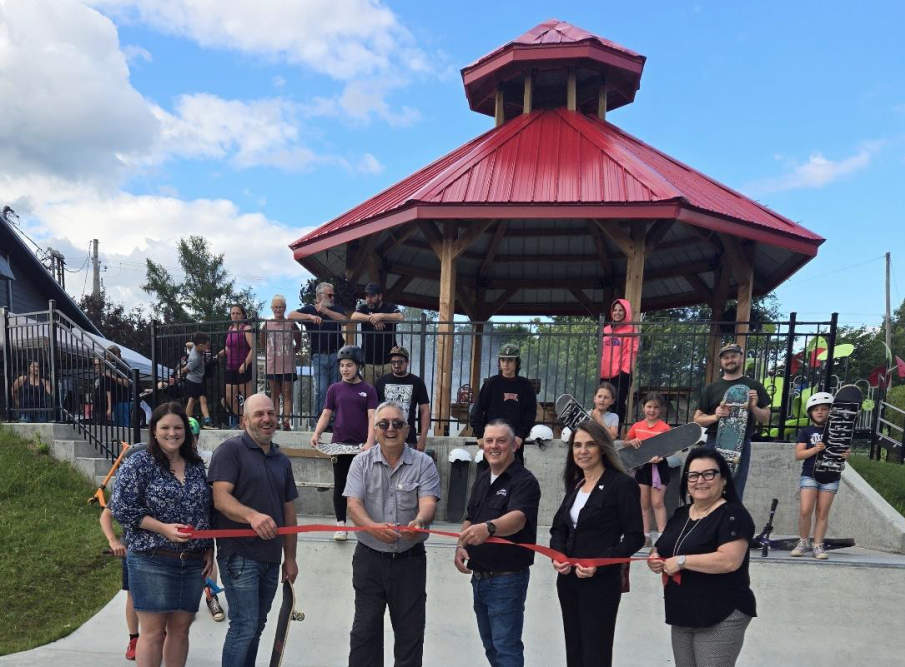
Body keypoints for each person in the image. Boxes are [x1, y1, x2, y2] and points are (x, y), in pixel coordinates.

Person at [109, 402, 214, 667]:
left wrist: (208, 547)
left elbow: (205, 510)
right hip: (151, 560)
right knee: (154, 632)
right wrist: (163, 528)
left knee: (181, 630)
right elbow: (122, 508)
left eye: (178, 427)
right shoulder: (139, 463)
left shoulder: (195, 465)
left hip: (191, 562)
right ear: (154, 431)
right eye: (165, 427)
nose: (172, 433)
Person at [343, 401, 441, 667]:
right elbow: (353, 504)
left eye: (397, 423)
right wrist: (370, 526)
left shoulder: (424, 464)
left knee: (410, 634)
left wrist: (420, 521)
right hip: (369, 561)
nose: (391, 429)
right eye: (383, 424)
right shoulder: (360, 463)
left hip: (409, 562)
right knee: (365, 632)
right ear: (374, 430)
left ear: (407, 429)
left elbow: (429, 502)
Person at [208, 393, 299, 667]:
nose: (266, 419)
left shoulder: (281, 459)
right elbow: (220, 498)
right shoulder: (230, 451)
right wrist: (252, 516)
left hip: (271, 559)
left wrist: (291, 558)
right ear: (245, 420)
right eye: (259, 414)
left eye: (270, 413)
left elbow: (288, 512)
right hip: (239, 555)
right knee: (244, 626)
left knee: (257, 626)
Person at [647, 449, 757, 667]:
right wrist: (655, 559)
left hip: (721, 613)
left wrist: (681, 561)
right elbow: (661, 548)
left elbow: (729, 561)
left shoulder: (733, 515)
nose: (700, 481)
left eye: (709, 474)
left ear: (724, 478)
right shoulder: (681, 514)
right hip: (683, 612)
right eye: (693, 475)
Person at [550, 420, 644, 667]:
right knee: (575, 650)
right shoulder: (576, 483)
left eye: (590, 444)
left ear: (602, 447)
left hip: (600, 584)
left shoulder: (621, 485)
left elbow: (635, 537)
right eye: (577, 445)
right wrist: (557, 555)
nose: (583, 450)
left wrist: (599, 563)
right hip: (568, 581)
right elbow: (558, 528)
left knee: (596, 653)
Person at [454, 420, 541, 667]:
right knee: (492, 647)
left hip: (506, 580)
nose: (494, 446)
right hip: (479, 577)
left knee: (507, 649)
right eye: (489, 440)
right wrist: (461, 546)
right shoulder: (483, 479)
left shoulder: (524, 481)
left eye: (501, 441)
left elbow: (518, 519)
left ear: (514, 445)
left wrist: (489, 528)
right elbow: (470, 518)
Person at [310, 345, 377, 540]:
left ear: (358, 366)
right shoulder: (334, 389)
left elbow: (373, 417)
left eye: (349, 365)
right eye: (341, 365)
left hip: (362, 446)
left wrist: (370, 442)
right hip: (339, 445)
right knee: (341, 485)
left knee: (364, 486)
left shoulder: (368, 390)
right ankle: (341, 525)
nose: (345, 369)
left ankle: (366, 524)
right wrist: (316, 433)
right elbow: (326, 413)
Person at [693, 343, 771, 499]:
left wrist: (753, 407)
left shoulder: (754, 386)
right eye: (726, 358)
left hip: (741, 444)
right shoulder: (711, 388)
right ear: (721, 362)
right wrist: (715, 416)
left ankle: (732, 522)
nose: (730, 360)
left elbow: (766, 418)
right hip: (714, 441)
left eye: (733, 356)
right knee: (710, 488)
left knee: (735, 491)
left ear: (741, 358)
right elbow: (697, 420)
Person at [99, 440, 148, 660]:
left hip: (162, 551)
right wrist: (113, 542)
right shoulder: (125, 486)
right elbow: (106, 516)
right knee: (133, 595)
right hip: (133, 550)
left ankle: (158, 635)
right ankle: (134, 638)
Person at [790, 392, 849, 560]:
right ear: (810, 412)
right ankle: (803, 541)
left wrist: (846, 454)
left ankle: (818, 545)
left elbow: (844, 449)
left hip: (830, 475)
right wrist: (815, 449)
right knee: (805, 509)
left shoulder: (838, 431)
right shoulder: (806, 431)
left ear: (831, 411)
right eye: (816, 409)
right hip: (809, 474)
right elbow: (798, 454)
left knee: (822, 512)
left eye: (824, 409)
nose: (820, 412)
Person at [469, 344, 537, 464]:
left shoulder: (525, 386)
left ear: (516, 362)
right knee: (491, 480)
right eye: (503, 359)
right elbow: (476, 411)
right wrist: (479, 435)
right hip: (492, 445)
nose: (506, 364)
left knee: (515, 480)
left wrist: (521, 435)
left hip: (514, 445)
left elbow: (530, 414)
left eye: (510, 360)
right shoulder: (491, 384)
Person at [290, 281, 346, 418]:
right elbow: (290, 315)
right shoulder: (310, 309)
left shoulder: (336, 309)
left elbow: (344, 320)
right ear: (320, 296)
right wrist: (310, 317)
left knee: (336, 389)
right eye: (330, 295)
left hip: (336, 355)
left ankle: (334, 421)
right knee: (321, 389)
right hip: (319, 356)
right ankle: (320, 420)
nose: (333, 297)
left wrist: (325, 311)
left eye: (333, 295)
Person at [625, 392, 672, 545]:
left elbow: (671, 448)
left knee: (657, 502)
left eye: (656, 407)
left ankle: (662, 536)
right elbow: (626, 442)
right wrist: (632, 442)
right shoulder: (637, 426)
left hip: (659, 468)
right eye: (649, 406)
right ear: (643, 407)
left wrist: (662, 456)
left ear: (661, 410)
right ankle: (646, 536)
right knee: (644, 503)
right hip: (642, 468)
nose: (652, 410)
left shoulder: (665, 428)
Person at [375, 346, 430, 451]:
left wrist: (422, 439)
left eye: (400, 362)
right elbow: (373, 410)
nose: (396, 365)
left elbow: (425, 410)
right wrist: (374, 436)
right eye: (393, 362)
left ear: (407, 362)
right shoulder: (381, 382)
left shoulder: (417, 382)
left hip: (408, 439)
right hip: (384, 437)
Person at [350, 282, 403, 385]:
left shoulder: (390, 307)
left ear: (380, 296)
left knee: (386, 393)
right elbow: (353, 316)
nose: (369, 299)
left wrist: (382, 316)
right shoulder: (363, 308)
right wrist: (372, 318)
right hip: (368, 360)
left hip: (388, 360)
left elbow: (400, 317)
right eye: (367, 296)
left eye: (372, 296)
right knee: (370, 393)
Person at [261, 295, 301, 431]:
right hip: (272, 364)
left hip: (287, 364)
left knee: (287, 393)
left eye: (281, 307)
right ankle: (275, 421)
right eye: (276, 307)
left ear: (285, 308)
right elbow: (262, 341)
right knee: (274, 393)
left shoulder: (291, 323)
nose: (278, 309)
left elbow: (298, 340)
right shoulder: (266, 324)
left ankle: (286, 422)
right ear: (272, 308)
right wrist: (269, 351)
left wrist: (293, 351)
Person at [599, 299, 639, 427]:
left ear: (626, 312)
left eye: (621, 310)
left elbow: (631, 351)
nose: (617, 313)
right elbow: (600, 352)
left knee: (618, 403)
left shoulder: (631, 329)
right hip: (604, 373)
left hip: (622, 373)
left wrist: (626, 371)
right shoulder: (605, 329)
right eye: (615, 310)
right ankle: (602, 430)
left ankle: (615, 431)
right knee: (603, 402)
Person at [218, 304, 254, 428]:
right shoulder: (230, 329)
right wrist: (219, 354)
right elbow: (229, 347)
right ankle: (243, 419)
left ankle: (248, 423)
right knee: (228, 399)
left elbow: (253, 349)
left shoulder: (246, 328)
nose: (235, 316)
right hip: (230, 367)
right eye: (233, 313)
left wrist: (245, 363)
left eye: (237, 313)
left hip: (243, 367)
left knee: (249, 400)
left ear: (243, 315)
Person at [182, 332, 215, 430]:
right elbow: (185, 370)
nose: (208, 348)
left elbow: (188, 344)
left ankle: (207, 421)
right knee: (192, 401)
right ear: (200, 345)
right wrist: (183, 368)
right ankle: (187, 422)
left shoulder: (193, 347)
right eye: (206, 345)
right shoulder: (196, 358)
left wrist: (190, 347)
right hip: (193, 381)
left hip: (198, 381)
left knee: (203, 400)